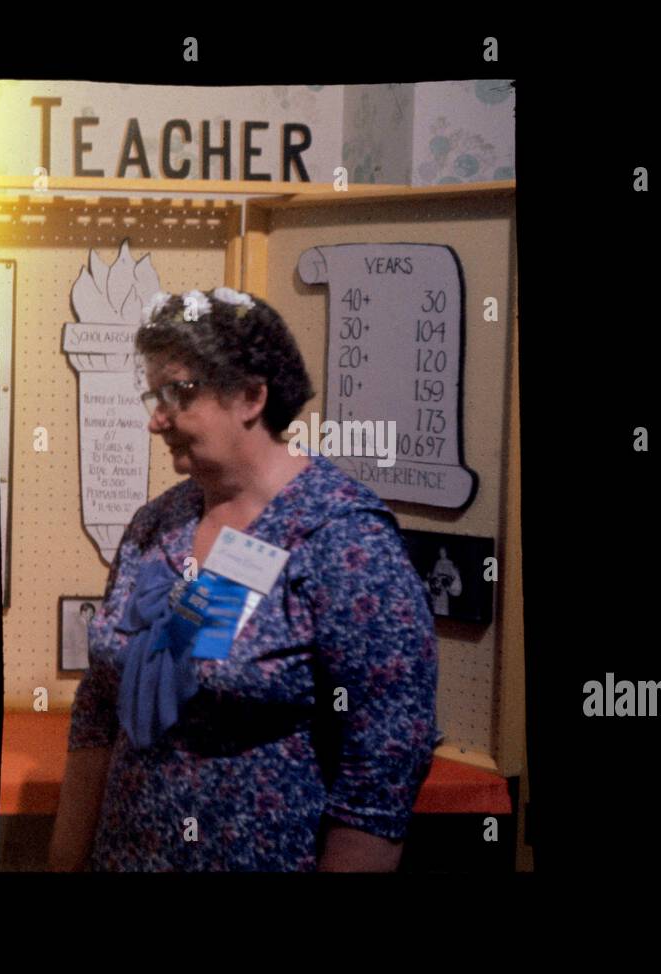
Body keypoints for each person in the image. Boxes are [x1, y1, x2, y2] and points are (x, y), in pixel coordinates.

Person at [48, 286, 441, 872]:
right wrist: (65, 862)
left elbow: (382, 767)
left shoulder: (342, 540)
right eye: (153, 395)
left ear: (252, 396)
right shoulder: (158, 526)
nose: (157, 419)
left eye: (179, 393)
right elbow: (99, 710)